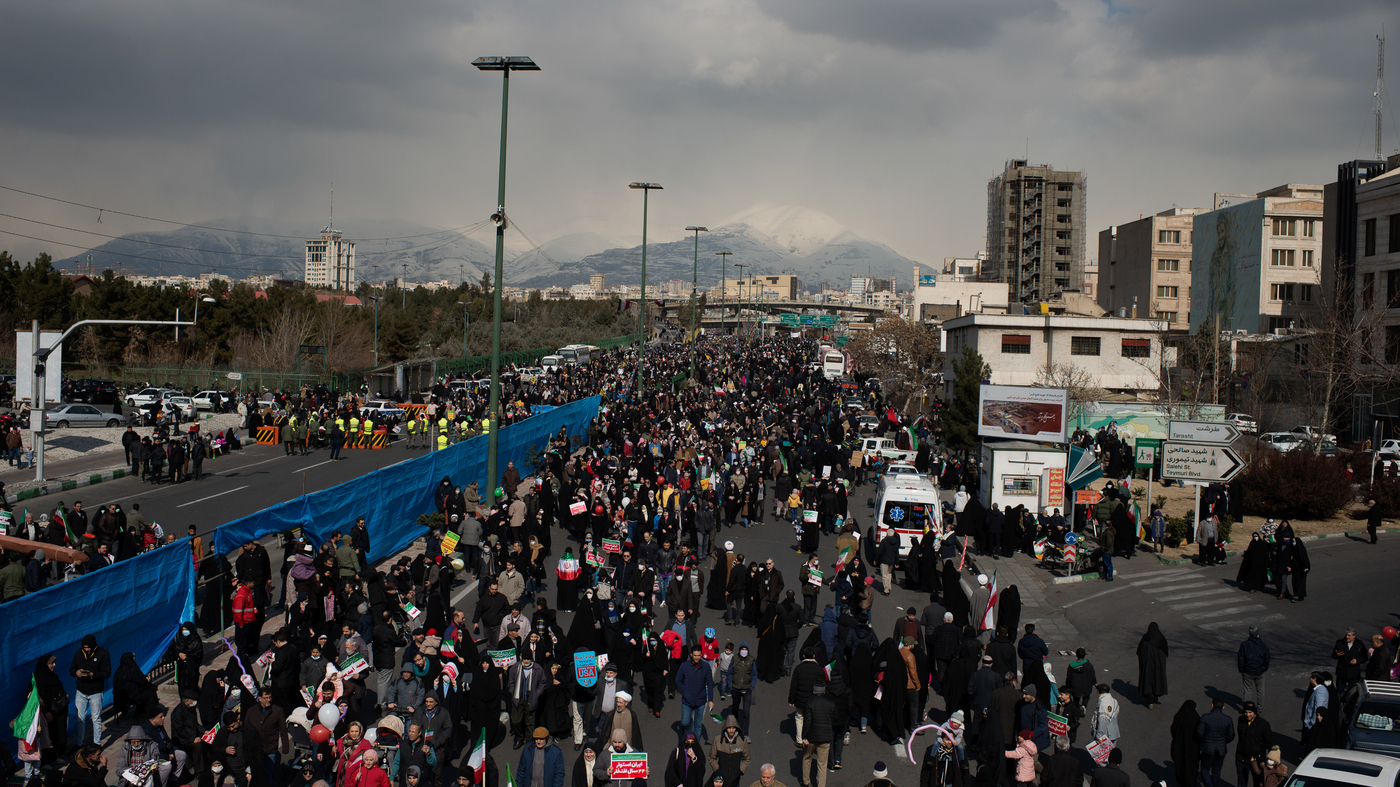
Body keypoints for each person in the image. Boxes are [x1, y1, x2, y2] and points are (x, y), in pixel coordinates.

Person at [70, 634, 111, 748]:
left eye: (88, 647)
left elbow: (107, 672)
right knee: (80, 718)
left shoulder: (103, 654)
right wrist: (76, 672)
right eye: (85, 647)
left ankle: (97, 744)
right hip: (81, 690)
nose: (86, 650)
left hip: (96, 691)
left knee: (96, 718)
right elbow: (72, 669)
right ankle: (79, 743)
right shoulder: (79, 653)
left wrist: (93, 675)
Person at [675, 645, 715, 742]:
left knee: (698, 725)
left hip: (700, 701)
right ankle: (686, 740)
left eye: (699, 655)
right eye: (695, 655)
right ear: (691, 655)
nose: (697, 657)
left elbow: (710, 683)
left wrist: (710, 700)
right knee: (684, 723)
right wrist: (684, 693)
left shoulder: (705, 667)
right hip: (687, 700)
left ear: (701, 655)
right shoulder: (684, 666)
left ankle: (695, 745)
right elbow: (678, 680)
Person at [800, 683, 836, 787]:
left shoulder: (810, 702)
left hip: (811, 737)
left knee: (807, 758)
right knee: (822, 764)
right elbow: (835, 717)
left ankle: (805, 781)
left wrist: (804, 736)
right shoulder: (831, 703)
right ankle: (821, 785)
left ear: (814, 691)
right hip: (825, 737)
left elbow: (807, 721)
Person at [1196, 696, 1234, 787]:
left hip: (1207, 748)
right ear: (1223, 707)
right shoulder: (1228, 719)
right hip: (1221, 748)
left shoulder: (1205, 717)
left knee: (1204, 769)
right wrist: (1224, 742)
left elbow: (1199, 732)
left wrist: (1204, 741)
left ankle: (1209, 785)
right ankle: (1214, 784)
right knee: (1217, 770)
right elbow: (1230, 735)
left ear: (1212, 705)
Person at [1235, 701, 1274, 787]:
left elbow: (1270, 741)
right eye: (1245, 712)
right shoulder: (1241, 720)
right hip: (1241, 757)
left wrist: (1272, 758)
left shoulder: (1263, 724)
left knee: (1258, 782)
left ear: (1254, 712)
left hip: (1257, 760)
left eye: (1250, 712)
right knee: (1241, 782)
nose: (1247, 715)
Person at [709, 716, 751, 787]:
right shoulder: (717, 740)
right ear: (725, 728)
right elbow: (711, 757)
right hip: (721, 781)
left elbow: (747, 758)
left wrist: (740, 771)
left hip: (735, 780)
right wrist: (717, 770)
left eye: (733, 728)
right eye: (729, 728)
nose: (731, 730)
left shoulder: (742, 741)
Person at [1238, 626, 1270, 711]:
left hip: (1247, 670)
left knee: (1247, 690)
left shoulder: (1244, 645)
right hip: (1260, 671)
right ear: (1258, 634)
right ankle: (1259, 709)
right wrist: (1265, 668)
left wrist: (1241, 669)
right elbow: (1267, 658)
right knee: (1260, 690)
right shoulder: (1263, 645)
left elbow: (1241, 658)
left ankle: (1247, 709)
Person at [1137, 622, 1169, 707]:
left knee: (1148, 681)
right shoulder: (1161, 639)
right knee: (1157, 680)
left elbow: (1139, 651)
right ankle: (1156, 695)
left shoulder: (1145, 639)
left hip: (1147, 666)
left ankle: (1150, 700)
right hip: (1158, 666)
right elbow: (1165, 652)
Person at [1169, 700, 1201, 787]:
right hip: (1192, 747)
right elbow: (1199, 733)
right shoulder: (1196, 717)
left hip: (1179, 746)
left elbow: (1173, 730)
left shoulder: (1178, 716)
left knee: (1180, 764)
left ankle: (1181, 782)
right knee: (1191, 766)